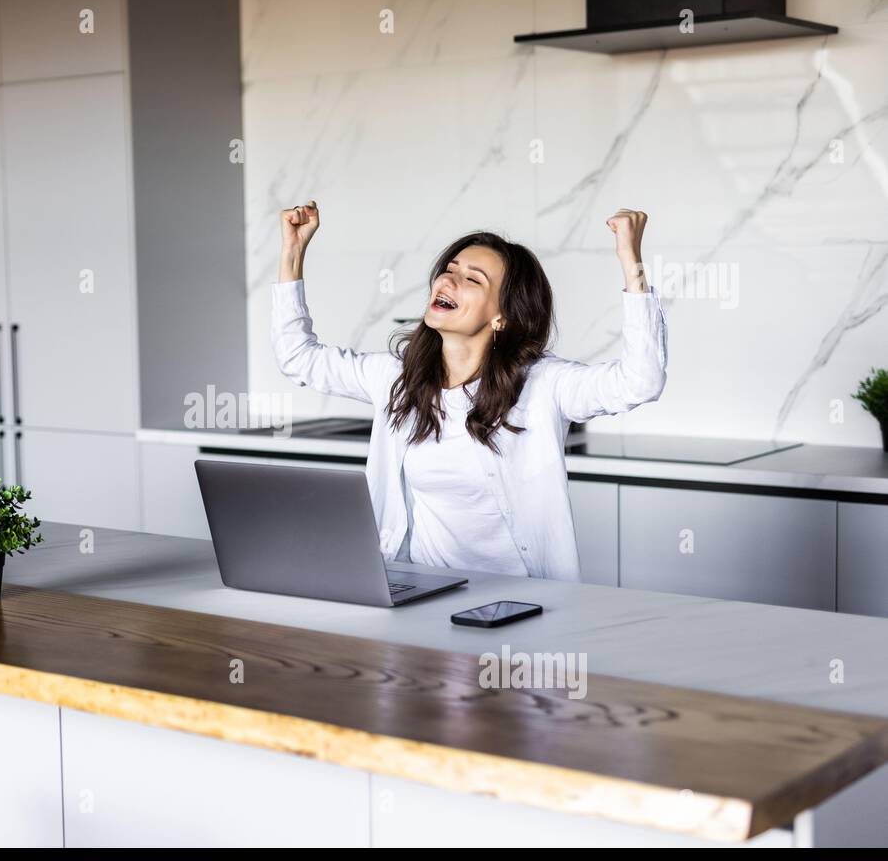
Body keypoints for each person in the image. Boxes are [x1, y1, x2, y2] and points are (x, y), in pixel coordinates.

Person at [271, 201, 667, 581]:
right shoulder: (396, 379)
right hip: (424, 595)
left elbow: (640, 381)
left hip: (525, 608)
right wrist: (293, 251)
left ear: (502, 317)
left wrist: (632, 265)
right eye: (450, 268)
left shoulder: (543, 384)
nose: (448, 279)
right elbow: (298, 358)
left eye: (473, 279)